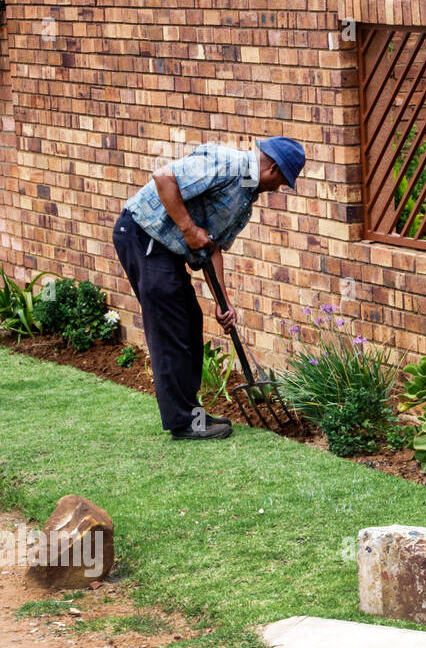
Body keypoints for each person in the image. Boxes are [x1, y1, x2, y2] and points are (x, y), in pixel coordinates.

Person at [112, 138, 304, 440]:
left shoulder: (244, 200)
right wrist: (189, 229)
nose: (279, 188)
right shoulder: (226, 164)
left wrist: (223, 303)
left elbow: (212, 248)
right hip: (143, 236)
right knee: (172, 328)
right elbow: (164, 178)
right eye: (282, 181)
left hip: (166, 248)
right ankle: (184, 422)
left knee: (189, 323)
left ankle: (193, 415)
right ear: (272, 168)